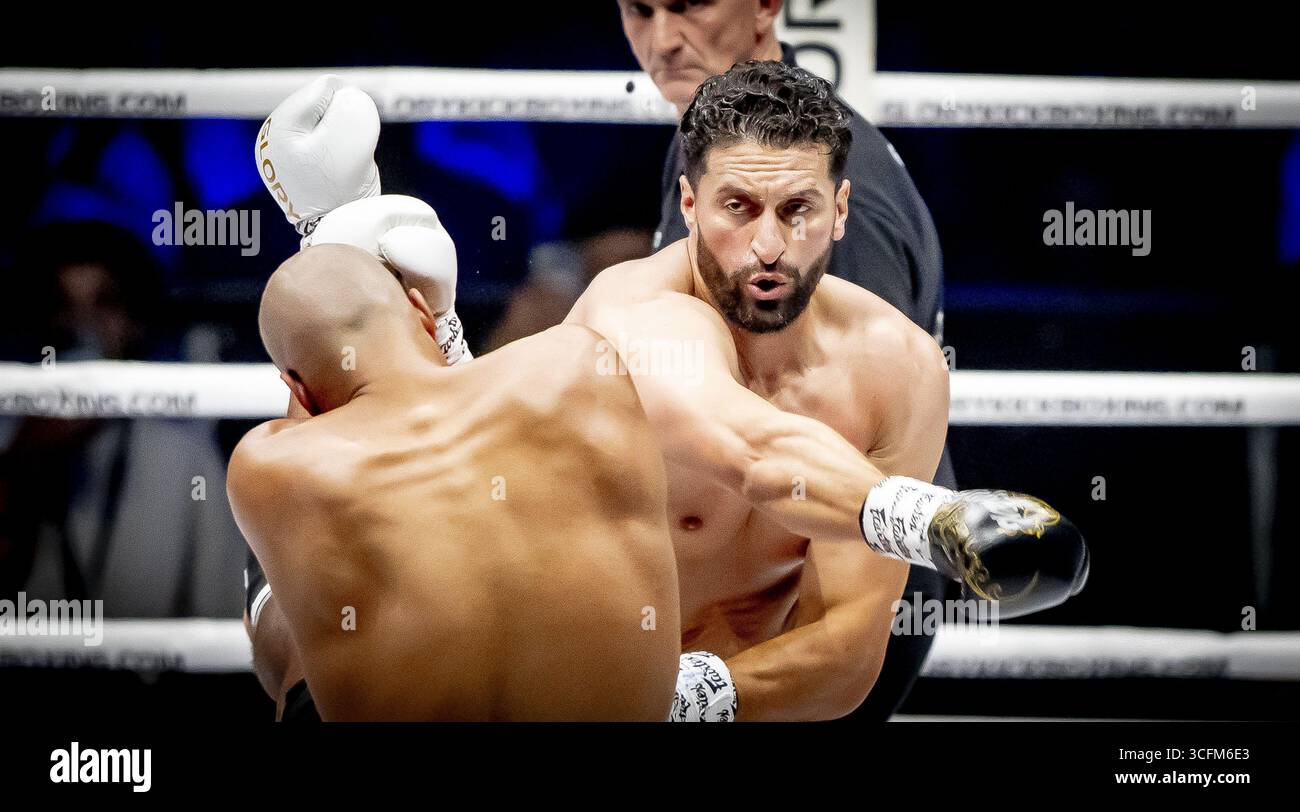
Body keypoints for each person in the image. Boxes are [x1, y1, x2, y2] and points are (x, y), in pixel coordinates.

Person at [251, 70, 1087, 721]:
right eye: (737, 206)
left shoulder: (899, 369)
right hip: (559, 682)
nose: (767, 245)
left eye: (797, 209)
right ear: (687, 205)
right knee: (308, 621)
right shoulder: (636, 315)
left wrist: (668, 702)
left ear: (840, 211)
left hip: (728, 710)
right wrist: (930, 521)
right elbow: (751, 451)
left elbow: (843, 655)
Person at [617, 0, 954, 719]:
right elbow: (736, 438)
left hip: (842, 600)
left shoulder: (877, 327)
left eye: (688, 6)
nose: (664, 40)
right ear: (692, 203)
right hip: (706, 628)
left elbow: (800, 434)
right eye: (638, 10)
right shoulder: (697, 168)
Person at [228, 240, 680, 720]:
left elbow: (310, 428)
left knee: (284, 632)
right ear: (423, 311)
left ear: (298, 387)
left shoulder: (269, 463)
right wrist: (445, 330)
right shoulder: (580, 360)